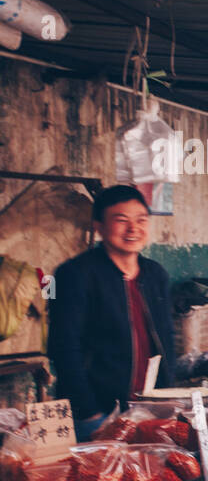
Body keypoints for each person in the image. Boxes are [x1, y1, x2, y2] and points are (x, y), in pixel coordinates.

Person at [49, 185, 175, 441]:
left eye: (141, 220)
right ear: (99, 226)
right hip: (97, 412)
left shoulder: (155, 274)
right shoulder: (74, 274)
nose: (133, 229)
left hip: (150, 410)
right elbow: (64, 347)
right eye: (121, 220)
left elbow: (168, 341)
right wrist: (88, 413)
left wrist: (170, 398)